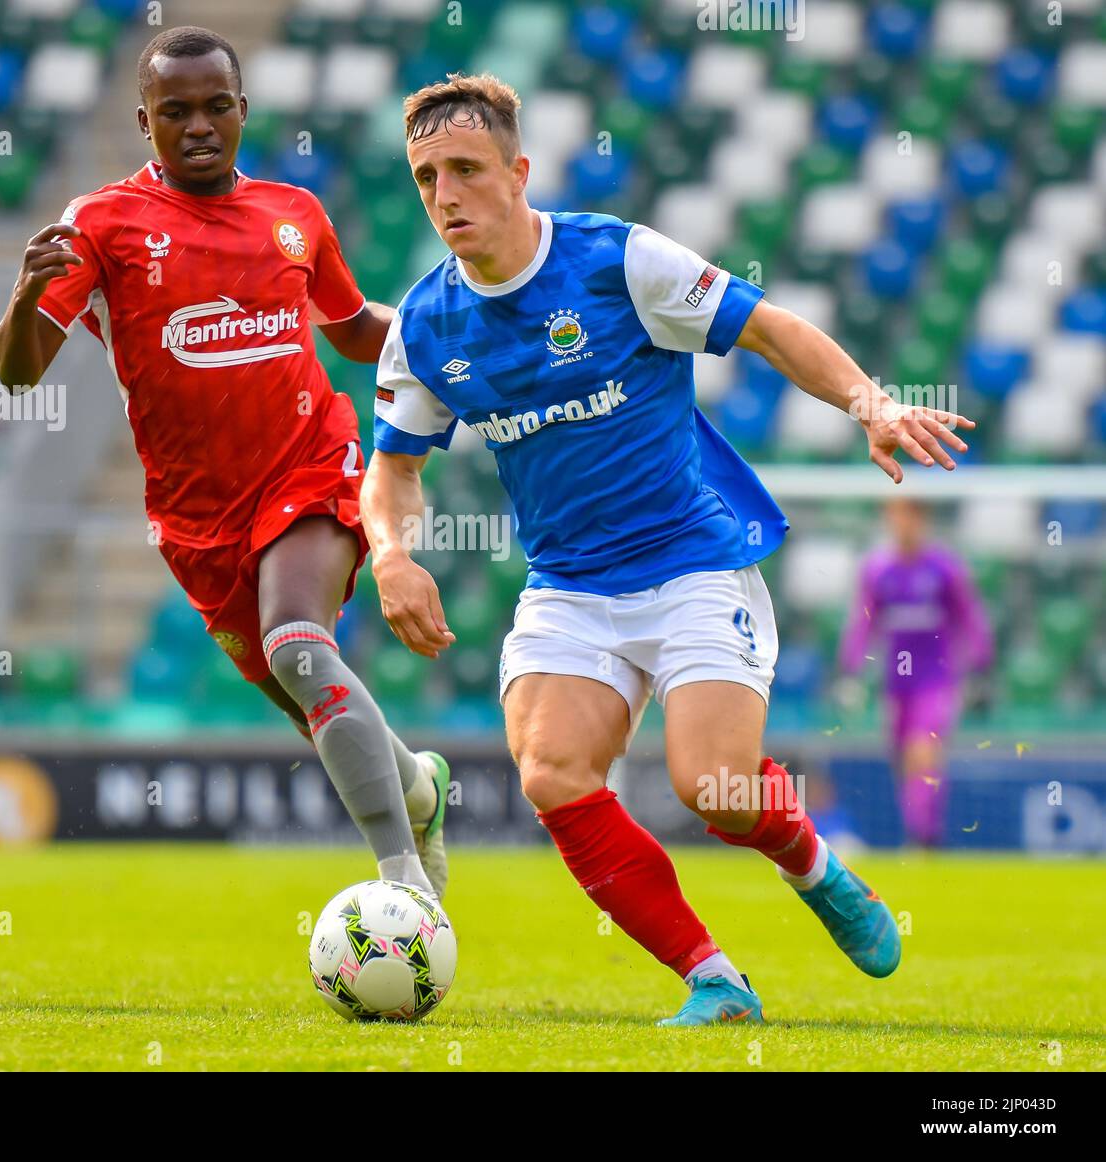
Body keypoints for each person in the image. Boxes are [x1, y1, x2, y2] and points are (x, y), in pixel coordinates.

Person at [360, 74, 974, 1024]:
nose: (445, 195)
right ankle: (714, 979)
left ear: (519, 173)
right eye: (426, 176)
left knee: (714, 788)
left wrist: (871, 402)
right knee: (550, 771)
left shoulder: (617, 262)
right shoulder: (426, 328)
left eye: (468, 170)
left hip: (691, 562)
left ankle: (812, 865)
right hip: (568, 583)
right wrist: (393, 554)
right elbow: (393, 471)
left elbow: (768, 327)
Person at [0, 26, 449, 898]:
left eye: (214, 108)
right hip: (196, 518)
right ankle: (421, 789)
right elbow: (18, 376)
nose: (198, 126)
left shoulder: (295, 215)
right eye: (175, 112)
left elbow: (352, 328)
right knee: (302, 693)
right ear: (144, 121)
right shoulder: (101, 223)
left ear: (242, 111)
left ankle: (406, 891)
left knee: (299, 646)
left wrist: (456, 339)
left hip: (309, 465)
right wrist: (21, 302)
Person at [840, 498, 994, 847]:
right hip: (896, 683)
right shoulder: (878, 570)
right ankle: (922, 830)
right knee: (904, 758)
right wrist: (850, 671)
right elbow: (863, 624)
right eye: (894, 516)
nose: (901, 524)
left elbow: (970, 616)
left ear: (922, 519)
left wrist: (982, 665)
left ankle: (923, 838)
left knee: (922, 752)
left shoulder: (944, 568)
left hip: (936, 679)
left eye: (908, 516)